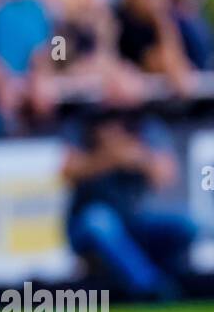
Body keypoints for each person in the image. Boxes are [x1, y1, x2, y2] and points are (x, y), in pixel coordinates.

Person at [61, 77, 196, 300]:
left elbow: (165, 175)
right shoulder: (84, 124)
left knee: (189, 221)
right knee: (100, 222)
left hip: (135, 219)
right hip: (87, 221)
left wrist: (136, 157)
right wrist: (107, 159)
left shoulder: (147, 127)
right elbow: (66, 172)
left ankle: (162, 277)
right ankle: (150, 288)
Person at [115, 0, 195, 94]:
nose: (158, 1)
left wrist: (163, 23)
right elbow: (160, 64)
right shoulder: (118, 23)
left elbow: (182, 77)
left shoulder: (173, 22)